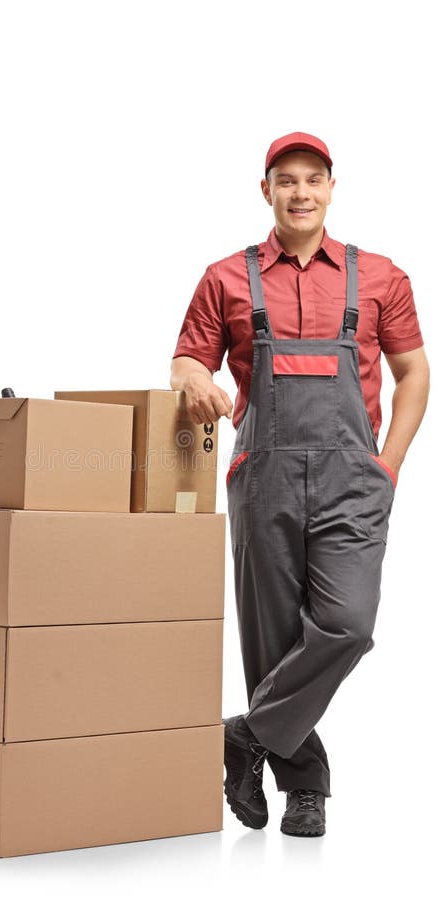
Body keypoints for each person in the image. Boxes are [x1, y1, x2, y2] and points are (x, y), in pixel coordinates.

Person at [169, 132, 430, 837]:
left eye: (314, 179)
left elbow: (414, 373)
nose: (301, 192)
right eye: (287, 180)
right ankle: (303, 788)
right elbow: (188, 361)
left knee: (347, 625)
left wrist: (389, 464)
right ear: (267, 191)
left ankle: (246, 735)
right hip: (265, 475)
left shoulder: (381, 277)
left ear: (331, 188)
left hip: (354, 478)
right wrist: (192, 380)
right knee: (275, 638)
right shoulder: (227, 277)